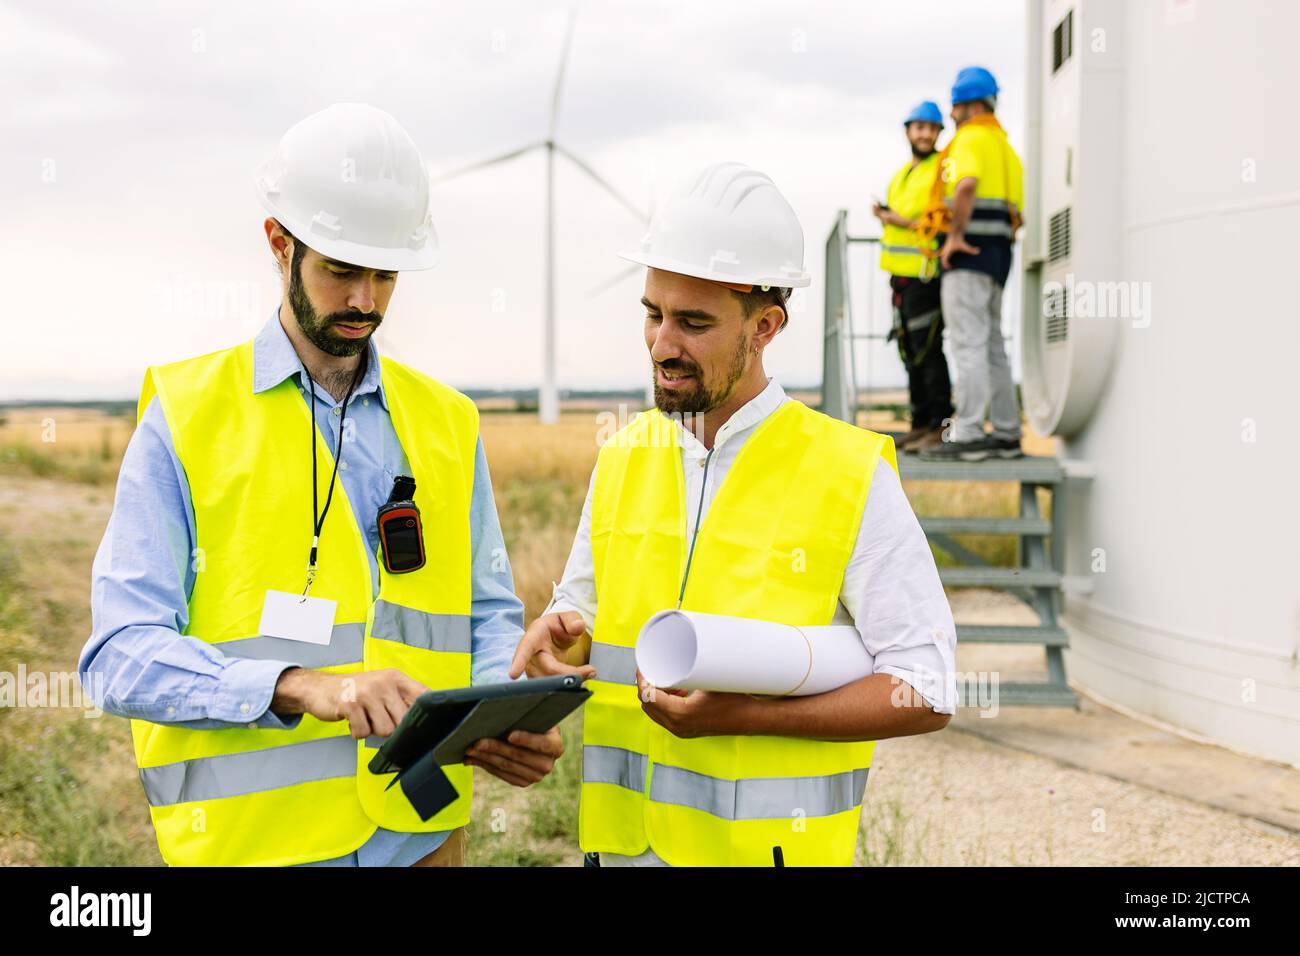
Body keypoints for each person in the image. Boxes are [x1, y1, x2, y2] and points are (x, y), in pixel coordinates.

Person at [79, 103, 562, 868]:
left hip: (422, 834)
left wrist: (507, 708)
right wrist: (301, 686)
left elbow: (485, 613)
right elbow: (119, 655)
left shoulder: (447, 421)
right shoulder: (185, 417)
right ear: (279, 243)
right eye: (342, 270)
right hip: (255, 850)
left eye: (385, 274)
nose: (366, 300)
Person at [510, 162, 958, 867]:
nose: (663, 344)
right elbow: (585, 611)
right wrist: (560, 631)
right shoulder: (620, 458)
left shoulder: (850, 472)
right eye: (653, 314)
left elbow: (925, 691)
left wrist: (744, 716)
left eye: (693, 322)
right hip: (618, 852)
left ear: (765, 326)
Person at [918, 66, 1026, 461]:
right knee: (994, 343)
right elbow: (1017, 212)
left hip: (968, 255)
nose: (951, 115)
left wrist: (957, 236)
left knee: (968, 343)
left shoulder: (970, 139)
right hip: (999, 256)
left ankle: (967, 434)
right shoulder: (1007, 148)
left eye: (956, 106)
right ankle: (1007, 433)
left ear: (969, 104)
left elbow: (964, 185)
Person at [873, 100, 954, 454]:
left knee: (928, 351)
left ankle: (939, 426)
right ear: (908, 131)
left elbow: (942, 222)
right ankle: (920, 424)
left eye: (931, 128)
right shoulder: (902, 173)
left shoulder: (941, 170)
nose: (924, 134)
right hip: (901, 278)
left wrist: (897, 221)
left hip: (926, 275)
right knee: (910, 352)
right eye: (918, 128)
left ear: (938, 133)